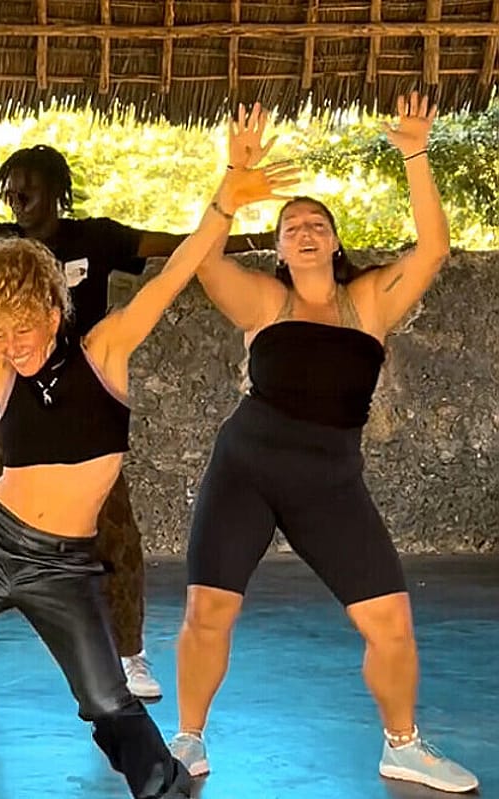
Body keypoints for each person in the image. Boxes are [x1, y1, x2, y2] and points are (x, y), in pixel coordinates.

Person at [0, 109, 297, 799]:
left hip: (62, 563)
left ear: (55, 312)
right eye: (0, 332)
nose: (13, 343)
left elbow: (174, 275)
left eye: (25, 327)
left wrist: (228, 192)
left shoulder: (104, 352)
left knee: (107, 702)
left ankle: (164, 786)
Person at [169, 96, 478, 794]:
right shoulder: (264, 302)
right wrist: (232, 177)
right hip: (245, 466)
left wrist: (414, 152)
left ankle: (403, 745)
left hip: (330, 480)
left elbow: (432, 248)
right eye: (290, 226)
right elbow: (201, 261)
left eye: (317, 224)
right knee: (208, 609)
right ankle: (187, 739)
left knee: (392, 623)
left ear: (335, 242)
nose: (304, 231)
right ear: (277, 247)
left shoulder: (368, 303)